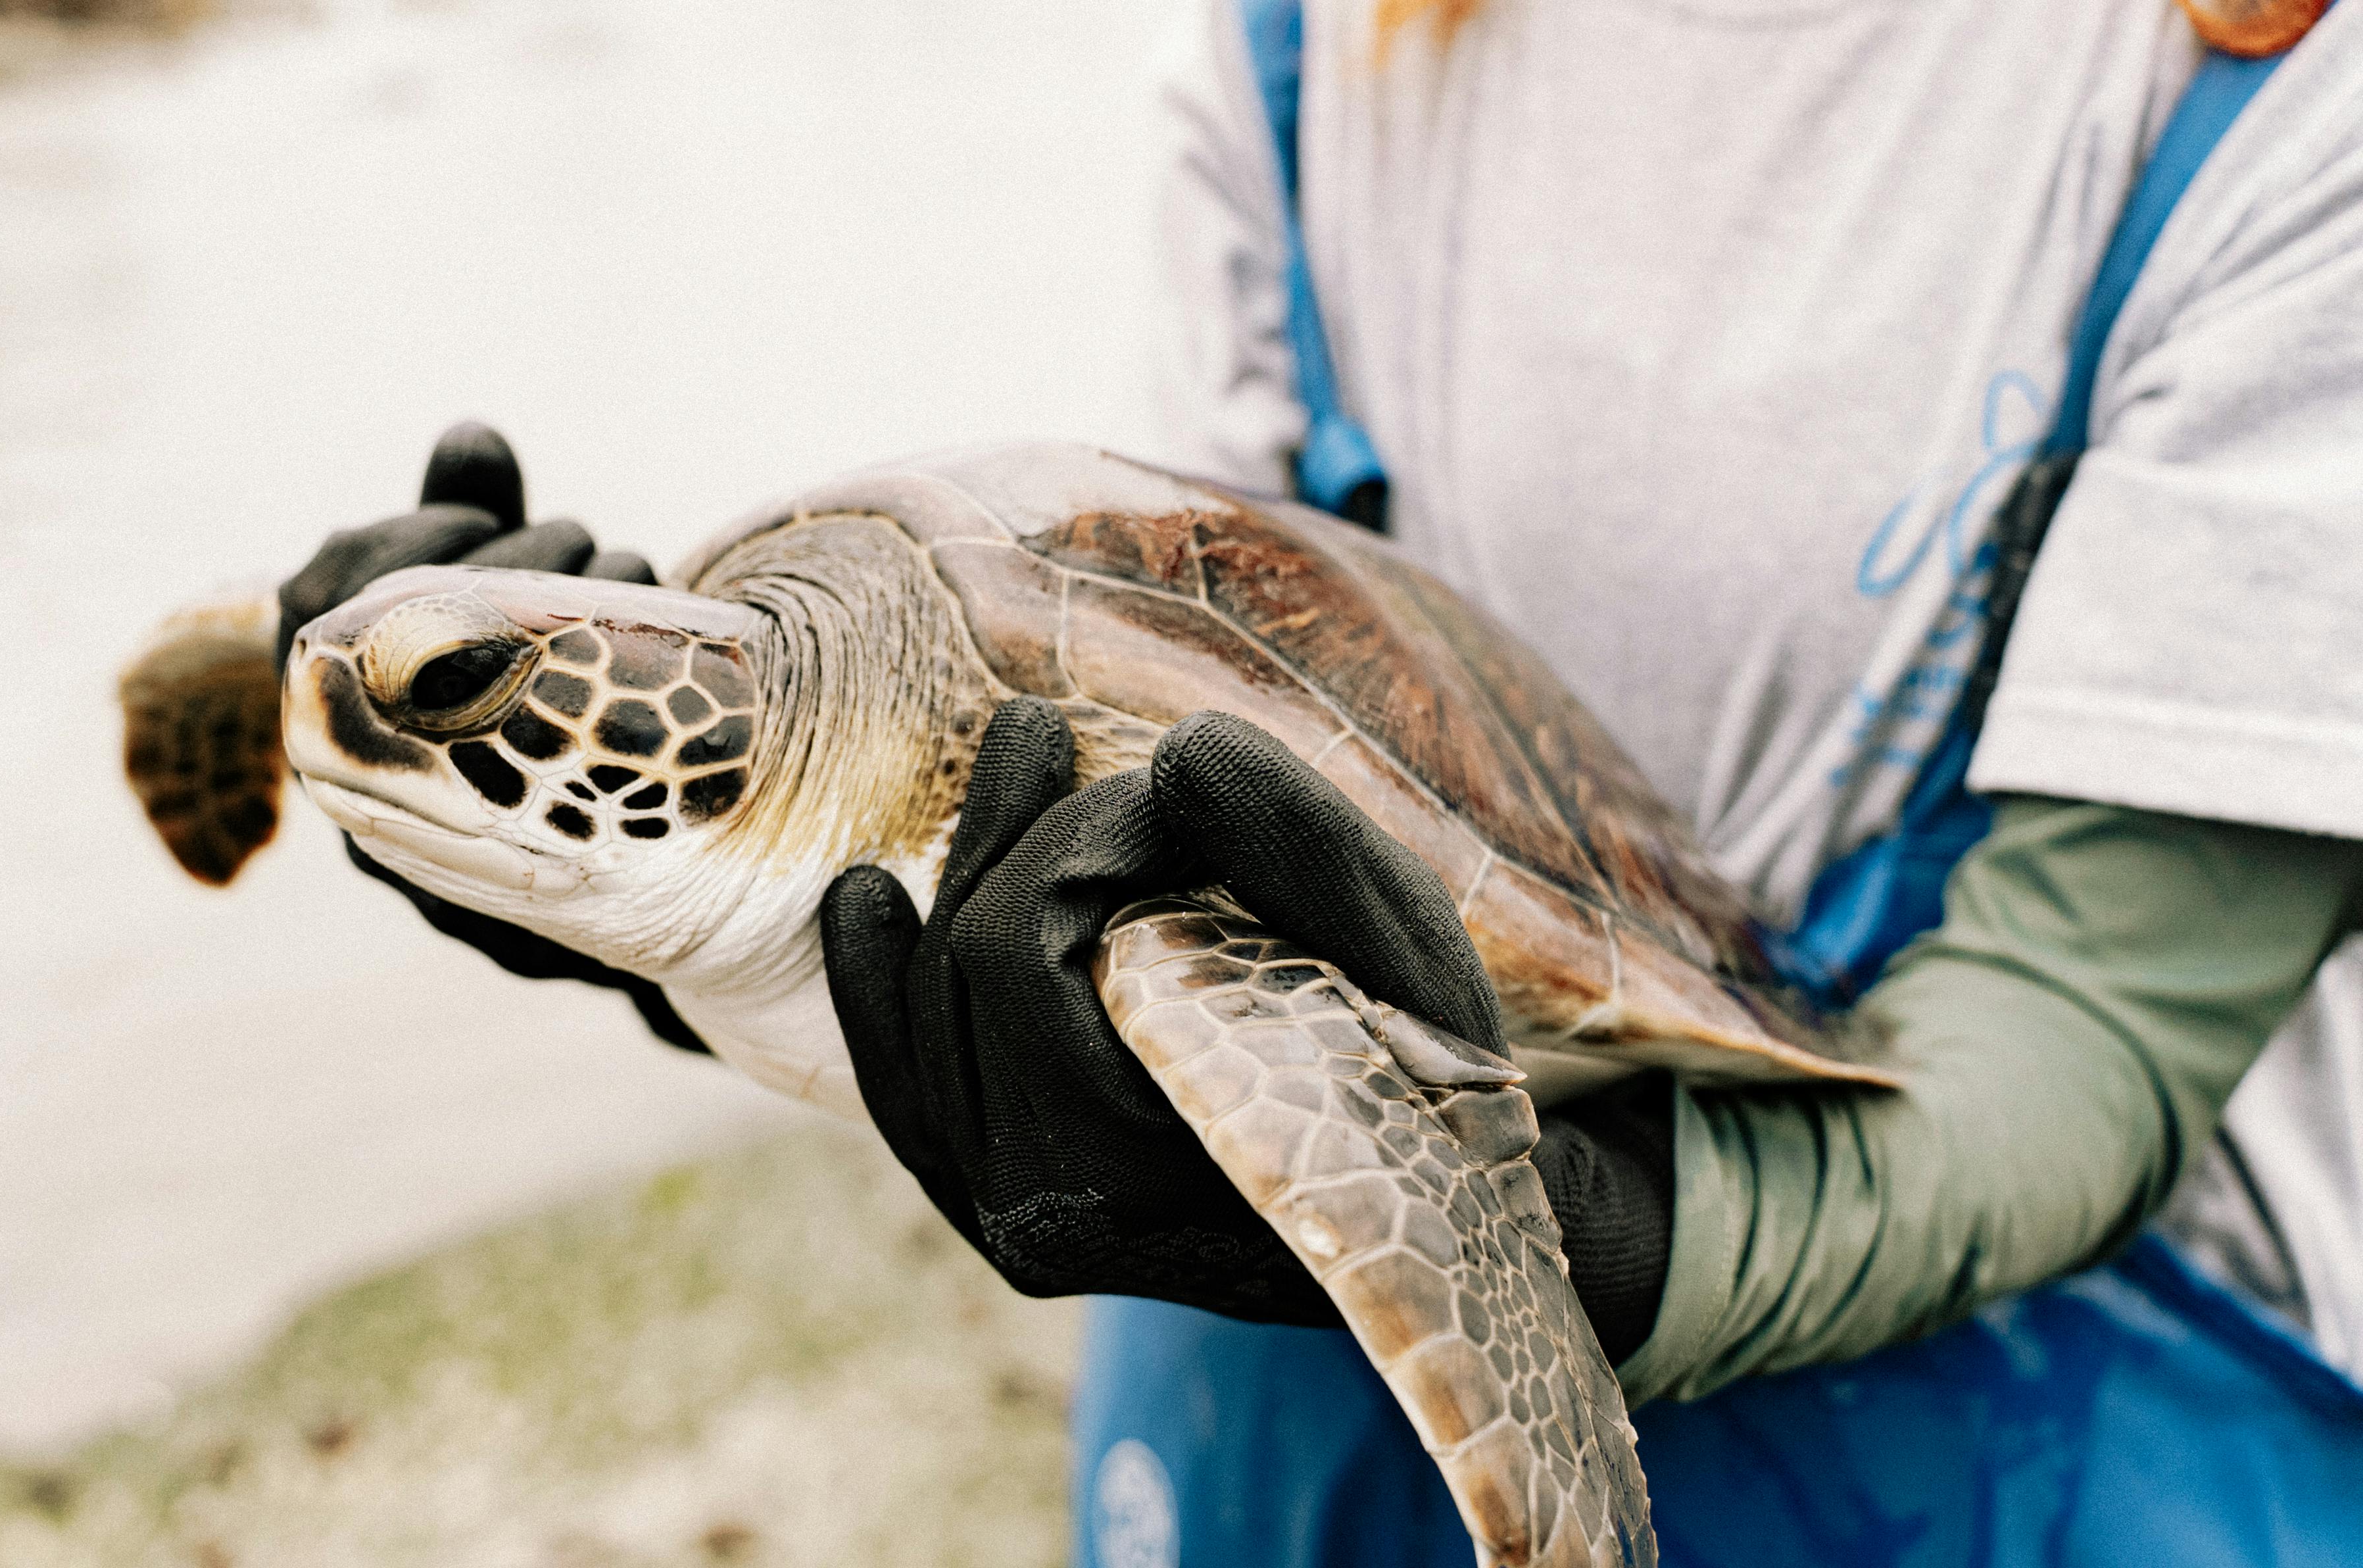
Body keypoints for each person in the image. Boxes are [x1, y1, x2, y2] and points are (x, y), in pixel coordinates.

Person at [276, 0, 2363, 1559]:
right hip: (1274, 1388)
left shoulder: (2275, 94)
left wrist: (1581, 1254)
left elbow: (2089, 1024)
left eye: (468, 693)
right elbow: (1050, 807)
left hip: (2017, 1383)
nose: (393, 707)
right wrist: (676, 938)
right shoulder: (1323, 36)